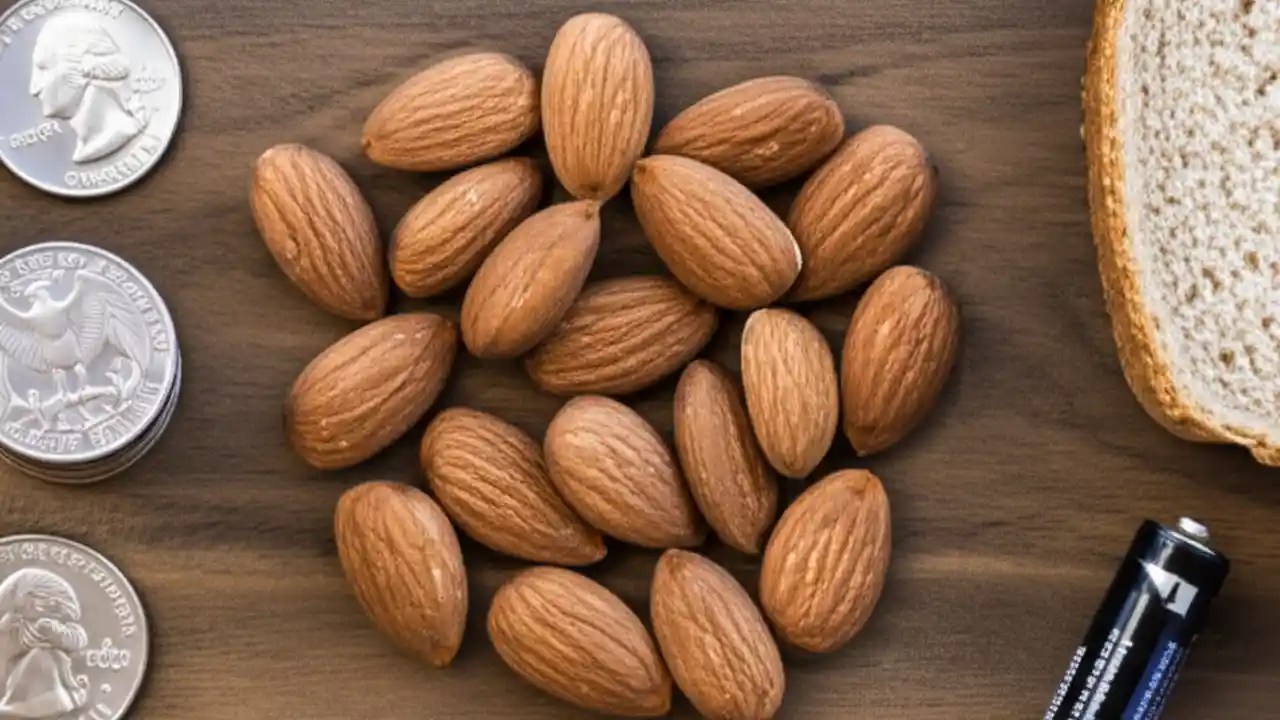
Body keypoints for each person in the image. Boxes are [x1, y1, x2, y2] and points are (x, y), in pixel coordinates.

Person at [28, 11, 146, 164]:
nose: (33, 89)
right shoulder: (86, 145)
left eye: (43, 68)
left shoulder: (121, 132)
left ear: (84, 67)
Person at [0, 569, 89, 719]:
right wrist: (2, 629)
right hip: (15, 673)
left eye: (33, 601)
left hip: (48, 672)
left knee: (40, 657)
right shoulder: (18, 625)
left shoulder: (59, 625)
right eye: (24, 603)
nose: (26, 606)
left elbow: (78, 640)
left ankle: (44, 705)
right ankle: (16, 704)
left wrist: (57, 633)